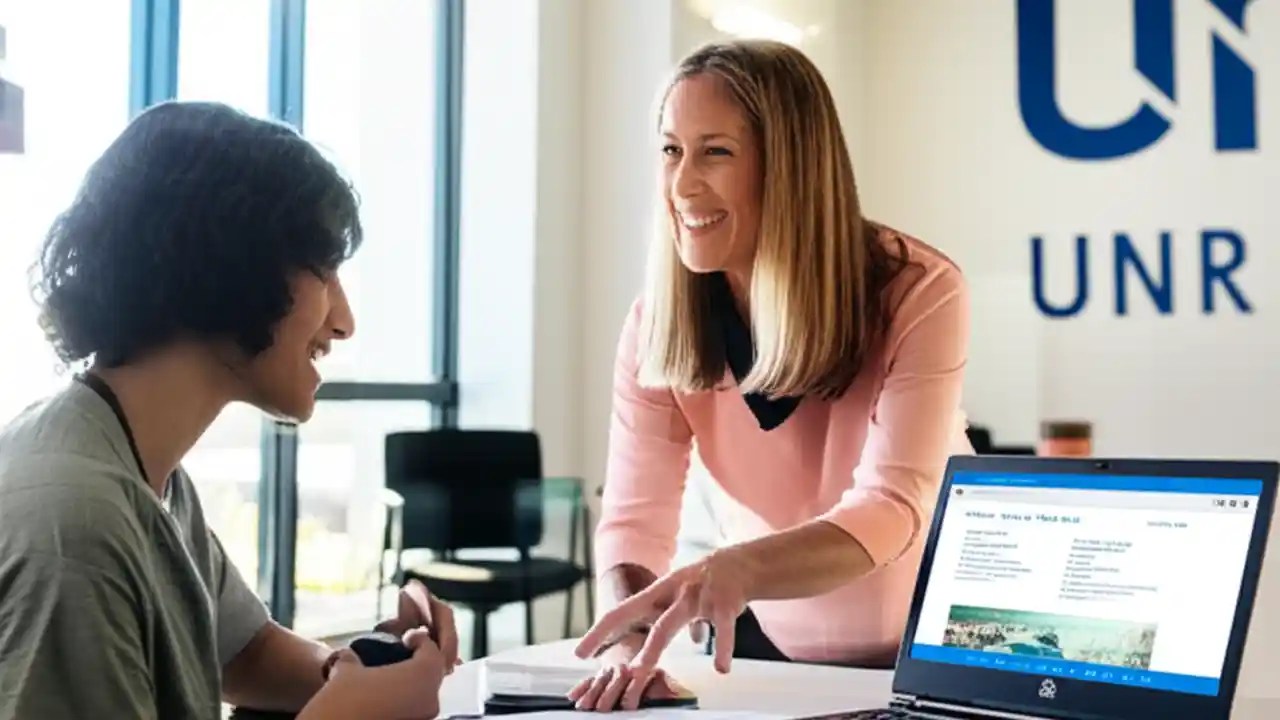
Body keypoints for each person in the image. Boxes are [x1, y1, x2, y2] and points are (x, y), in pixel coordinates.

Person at [0, 101, 457, 719]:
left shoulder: (145, 474)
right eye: (324, 270)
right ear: (229, 263)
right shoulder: (75, 524)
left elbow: (241, 654)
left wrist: (360, 671)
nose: (344, 322)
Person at [568, 40, 972, 711]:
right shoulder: (656, 324)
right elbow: (634, 522)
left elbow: (892, 508)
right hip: (777, 647)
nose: (683, 184)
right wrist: (630, 643)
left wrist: (736, 570)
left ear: (789, 166)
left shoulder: (918, 292)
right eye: (671, 151)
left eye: (715, 151)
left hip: (938, 647)